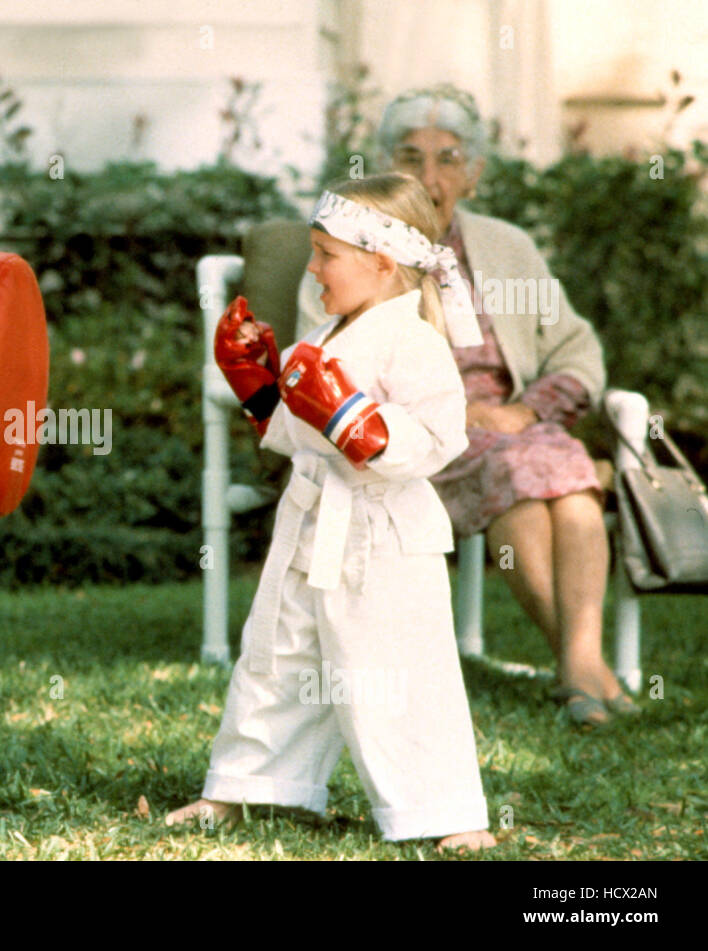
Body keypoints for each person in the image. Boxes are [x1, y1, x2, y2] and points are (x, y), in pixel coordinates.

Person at [168, 173, 495, 852]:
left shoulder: (415, 342)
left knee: (399, 670)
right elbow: (297, 433)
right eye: (313, 251)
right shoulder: (328, 331)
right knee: (276, 655)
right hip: (310, 524)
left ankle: (451, 812)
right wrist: (261, 391)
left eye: (325, 254)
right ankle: (240, 785)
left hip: (384, 538)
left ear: (381, 262)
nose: (311, 267)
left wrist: (359, 422)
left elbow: (440, 436)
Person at [296, 85, 634, 727]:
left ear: (474, 174)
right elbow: (322, 366)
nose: (430, 176)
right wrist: (436, 409)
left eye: (449, 158)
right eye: (410, 156)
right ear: (382, 168)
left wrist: (525, 412)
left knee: (559, 478)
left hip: (513, 426)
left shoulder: (506, 247)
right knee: (524, 475)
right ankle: (586, 670)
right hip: (412, 438)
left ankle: (579, 664)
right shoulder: (346, 247)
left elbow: (576, 348)